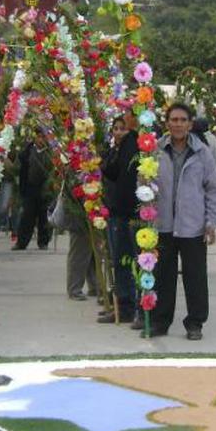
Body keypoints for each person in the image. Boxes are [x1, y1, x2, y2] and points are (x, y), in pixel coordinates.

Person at [150, 102, 216, 340]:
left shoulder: (202, 153)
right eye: (174, 120)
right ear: (167, 123)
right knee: (163, 276)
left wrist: (211, 222)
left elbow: (214, 190)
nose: (178, 124)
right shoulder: (154, 151)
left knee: (195, 277)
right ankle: (161, 321)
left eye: (183, 120)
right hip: (162, 225)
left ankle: (195, 323)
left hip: (193, 227)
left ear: (190, 124)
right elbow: (144, 186)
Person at [100, 113, 142, 325]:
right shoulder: (121, 147)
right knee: (120, 261)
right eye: (116, 128)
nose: (119, 132)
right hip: (118, 212)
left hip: (133, 214)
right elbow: (112, 172)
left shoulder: (138, 144)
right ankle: (124, 306)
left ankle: (137, 308)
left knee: (135, 262)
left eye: (123, 127)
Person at [13, 129, 52, 251]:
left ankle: (43, 241)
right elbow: (17, 168)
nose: (41, 140)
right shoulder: (27, 151)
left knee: (44, 216)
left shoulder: (51, 153)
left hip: (45, 188)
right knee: (27, 215)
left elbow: (53, 171)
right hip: (29, 187)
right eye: (39, 137)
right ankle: (21, 242)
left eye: (43, 137)